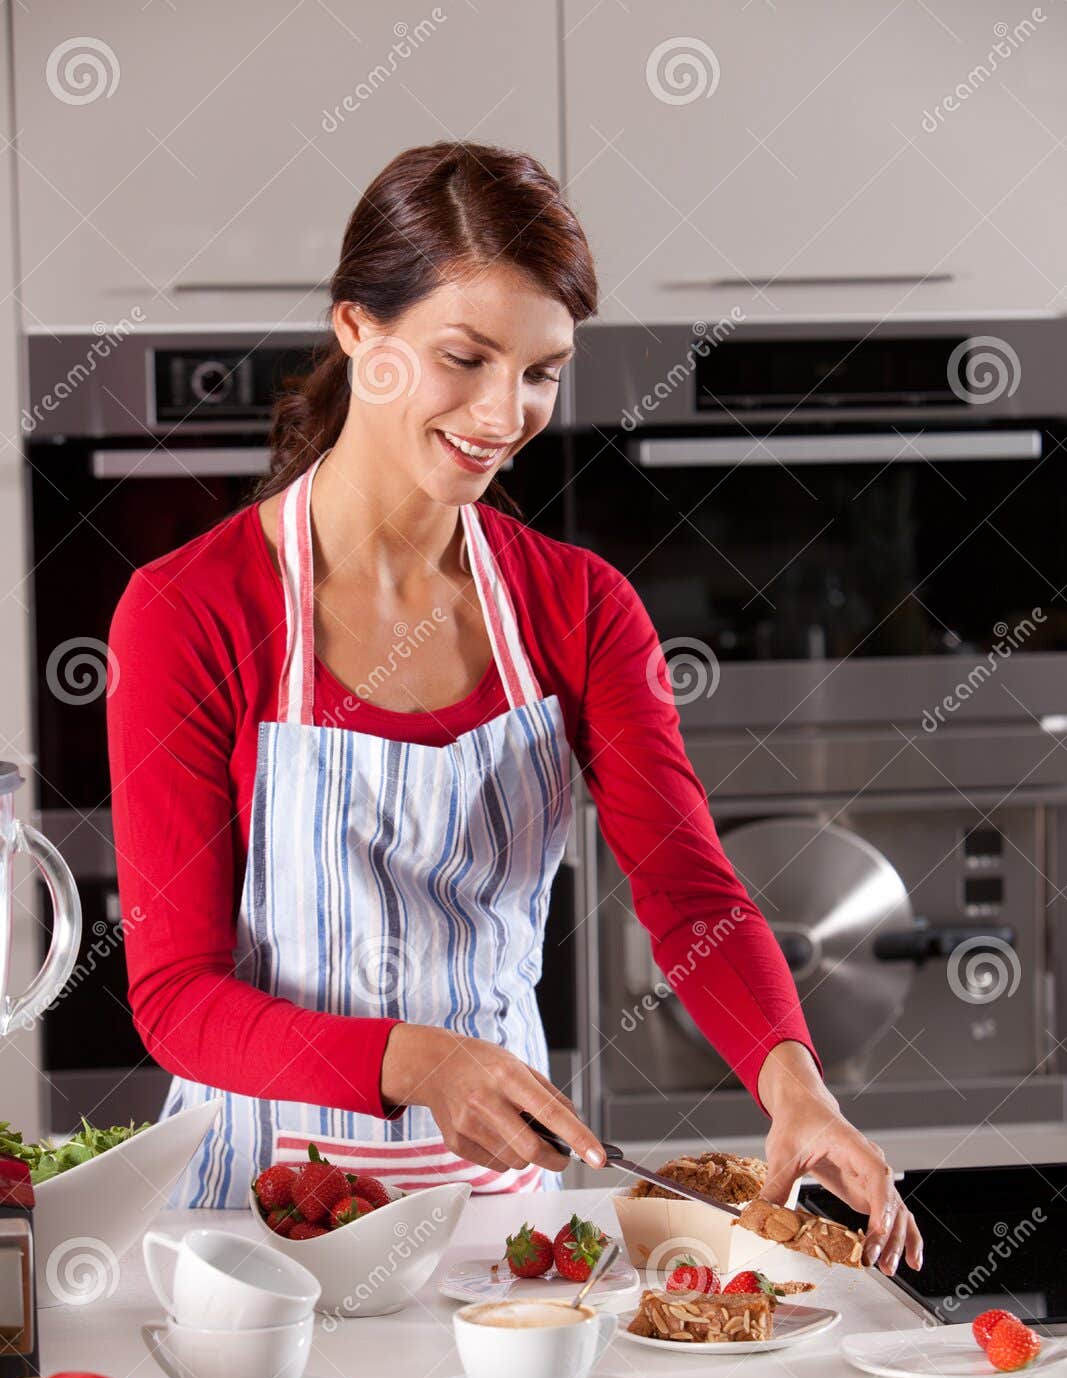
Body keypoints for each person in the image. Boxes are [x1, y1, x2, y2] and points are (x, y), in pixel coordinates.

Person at [106, 141, 921, 1275]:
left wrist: (796, 1088)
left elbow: (690, 897)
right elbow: (176, 1001)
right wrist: (419, 1062)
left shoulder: (577, 607)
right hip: (255, 1231)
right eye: (465, 357)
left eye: (541, 371)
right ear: (358, 332)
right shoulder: (190, 610)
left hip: (503, 1232)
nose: (503, 412)